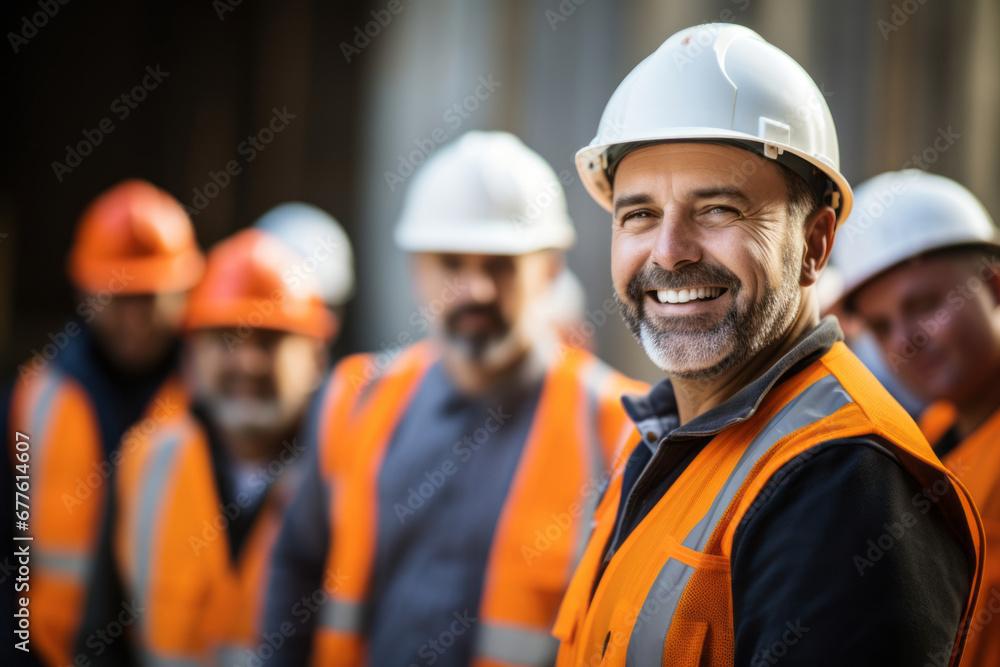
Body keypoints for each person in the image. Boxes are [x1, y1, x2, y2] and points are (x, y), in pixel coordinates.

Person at [553, 24, 983, 667]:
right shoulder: (659, 441)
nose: (669, 252)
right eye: (639, 214)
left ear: (814, 244)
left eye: (718, 209)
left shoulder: (842, 481)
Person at [263, 130, 646, 667]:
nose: (475, 290)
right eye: (451, 263)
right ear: (414, 269)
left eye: (499, 265)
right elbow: (297, 566)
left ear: (551, 270)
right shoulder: (355, 399)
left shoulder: (622, 429)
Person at [73, 227, 344, 665]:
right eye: (226, 339)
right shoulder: (145, 461)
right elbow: (99, 642)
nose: (247, 362)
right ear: (190, 358)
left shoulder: (349, 475)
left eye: (270, 340)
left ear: (316, 357)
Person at [3, 179, 204, 666]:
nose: (134, 319)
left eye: (150, 297)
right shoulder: (32, 400)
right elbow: (11, 550)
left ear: (185, 292)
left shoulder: (214, 402)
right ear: (84, 291)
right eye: (118, 298)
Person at [831, 170, 1000, 666]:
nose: (905, 340)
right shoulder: (928, 435)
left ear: (993, 284)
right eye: (881, 325)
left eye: (924, 305)